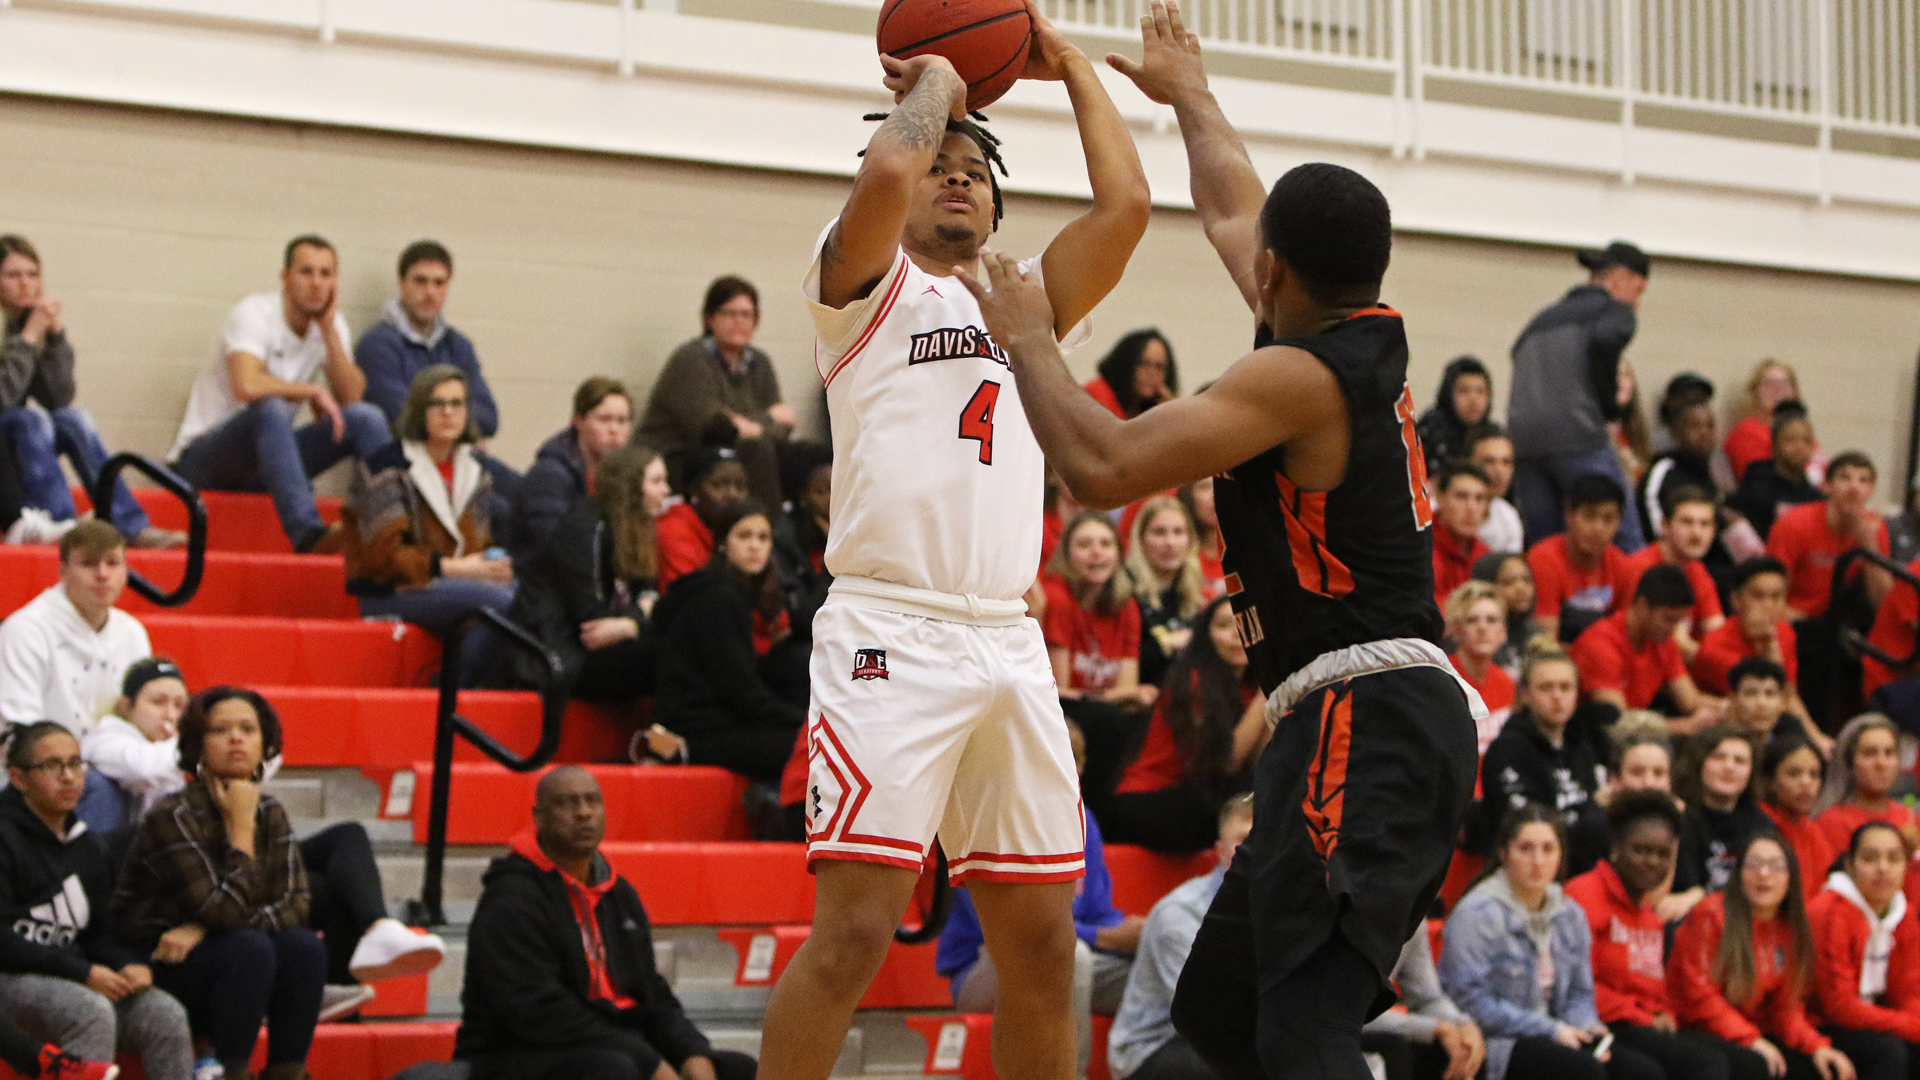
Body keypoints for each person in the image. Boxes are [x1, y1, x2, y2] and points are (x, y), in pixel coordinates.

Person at [957, 12, 1485, 1080]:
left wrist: (1027, 337)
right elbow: (1234, 200)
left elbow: (1103, 466)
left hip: (1366, 718)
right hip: (1344, 717)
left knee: (1299, 1030)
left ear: (1279, 272)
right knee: (1223, 1008)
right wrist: (1187, 91)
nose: (1251, 263)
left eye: (1262, 262)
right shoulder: (1331, 326)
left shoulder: (1299, 378)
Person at [752, 2, 1151, 1073]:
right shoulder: (864, 287)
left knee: (1043, 952)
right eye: (944, 161)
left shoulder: (1026, 305)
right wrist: (936, 74)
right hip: (892, 630)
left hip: (1008, 643)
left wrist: (1067, 63)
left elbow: (1126, 204)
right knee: (853, 936)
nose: (956, 173)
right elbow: (885, 174)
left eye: (978, 165)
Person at [455, 766, 757, 1080]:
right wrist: (646, 1059)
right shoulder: (511, 898)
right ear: (539, 816)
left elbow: (651, 992)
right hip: (516, 1052)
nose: (583, 813)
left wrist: (693, 1052)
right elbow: (536, 1011)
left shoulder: (619, 893)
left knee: (738, 1070)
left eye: (592, 801)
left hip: (615, 1046)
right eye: (566, 803)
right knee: (612, 1070)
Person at [112, 687, 326, 1080]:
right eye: (220, 730)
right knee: (251, 947)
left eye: (248, 729)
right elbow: (223, 910)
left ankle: (287, 1071)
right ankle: (229, 1073)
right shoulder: (173, 814)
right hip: (157, 961)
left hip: (217, 949)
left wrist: (200, 929)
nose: (236, 739)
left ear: (265, 744)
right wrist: (241, 827)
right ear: (197, 744)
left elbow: (295, 904)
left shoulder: (271, 810)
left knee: (303, 946)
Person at [940, 721, 1144, 1079]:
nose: (1067, 767)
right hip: (985, 966)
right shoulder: (984, 815)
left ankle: (1156, 1066)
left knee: (1161, 967)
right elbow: (1007, 928)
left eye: (1075, 760)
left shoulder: (1084, 819)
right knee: (1070, 956)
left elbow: (1099, 911)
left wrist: (1136, 934)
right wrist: (1102, 937)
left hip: (1068, 956)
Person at [169, 235, 391, 553]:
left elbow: (352, 396)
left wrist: (328, 333)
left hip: (267, 466)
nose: (316, 283)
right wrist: (311, 390)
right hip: (206, 460)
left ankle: (393, 527)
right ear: (285, 278)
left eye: (325, 274)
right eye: (306, 272)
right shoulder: (254, 313)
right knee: (270, 409)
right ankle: (307, 534)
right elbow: (246, 384)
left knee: (367, 418)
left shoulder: (332, 324)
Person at [0, 722, 192, 1080]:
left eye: (76, 763)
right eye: (52, 766)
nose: (69, 777)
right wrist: (83, 973)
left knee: (165, 1014)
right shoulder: (4, 836)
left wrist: (126, 965)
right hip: (10, 980)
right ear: (18, 778)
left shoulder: (89, 847)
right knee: (88, 1010)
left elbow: (100, 934)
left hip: (70, 975)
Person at [0, 236, 180, 550]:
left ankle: (129, 525)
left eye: (32, 275)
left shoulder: (28, 324)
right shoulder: (17, 330)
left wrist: (55, 339)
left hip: (17, 434)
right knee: (29, 419)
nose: (25, 284)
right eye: (13, 276)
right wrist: (28, 340)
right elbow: (3, 397)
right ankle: (62, 525)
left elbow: (58, 398)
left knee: (74, 418)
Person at [342, 366, 514, 681]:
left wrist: (492, 563)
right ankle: (451, 690)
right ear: (420, 409)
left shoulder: (476, 472)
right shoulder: (385, 467)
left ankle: (466, 687)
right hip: (390, 589)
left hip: (450, 584)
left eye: (457, 404)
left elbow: (477, 544)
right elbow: (385, 559)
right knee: (503, 602)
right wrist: (462, 569)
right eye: (438, 404)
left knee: (525, 596)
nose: (448, 413)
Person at [1439, 806, 1634, 1080]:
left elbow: (1580, 992)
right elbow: (1470, 1002)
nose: (1538, 861)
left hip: (1558, 1033)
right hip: (1497, 1041)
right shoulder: (1476, 913)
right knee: (1582, 1071)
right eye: (1526, 848)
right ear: (1505, 853)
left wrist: (1588, 1027)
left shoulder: (1569, 913)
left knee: (1638, 1071)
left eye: (1548, 849)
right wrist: (1551, 1030)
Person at [1568, 790, 1734, 1080]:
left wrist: (1660, 1011)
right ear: (1616, 848)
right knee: (1680, 1068)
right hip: (1593, 1023)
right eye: (1641, 850)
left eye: (1662, 854)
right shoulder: (1584, 895)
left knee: (1742, 1063)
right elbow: (1576, 986)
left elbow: (1651, 984)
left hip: (1637, 1023)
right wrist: (1642, 1016)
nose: (1652, 862)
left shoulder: (1649, 914)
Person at [353, 240, 519, 525]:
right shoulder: (377, 344)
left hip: (461, 459)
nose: (430, 292)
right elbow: (404, 417)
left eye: (439, 283)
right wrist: (463, 422)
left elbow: (489, 417)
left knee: (529, 495)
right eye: (420, 281)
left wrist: (453, 424)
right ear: (402, 284)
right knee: (498, 512)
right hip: (406, 466)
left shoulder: (458, 345)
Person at [0, 521, 151, 833]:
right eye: (88, 564)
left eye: (112, 563)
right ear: (62, 570)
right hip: (37, 775)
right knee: (98, 785)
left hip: (115, 763)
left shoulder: (133, 633)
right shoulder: (25, 631)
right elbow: (18, 733)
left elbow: (145, 720)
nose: (102, 574)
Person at [1669, 832, 1858, 1080]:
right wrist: (1750, 1039)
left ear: (1790, 878)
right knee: (1755, 1065)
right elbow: (1698, 994)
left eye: (1776, 866)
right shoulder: (1710, 915)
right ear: (1738, 874)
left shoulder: (1791, 927)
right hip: (1696, 1028)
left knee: (1817, 1069)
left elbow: (1786, 1006)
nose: (1764, 874)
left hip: (1749, 1031)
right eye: (1754, 864)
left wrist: (1817, 1047)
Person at [1506, 241, 1651, 552]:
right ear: (1621, 277)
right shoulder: (1614, 311)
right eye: (1639, 290)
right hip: (1578, 436)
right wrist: (1610, 410)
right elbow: (1604, 342)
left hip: (1526, 444)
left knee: (1548, 547)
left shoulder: (1539, 321)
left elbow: (1515, 353)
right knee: (1625, 537)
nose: (1637, 303)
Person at [649, 501, 806, 785]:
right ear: (722, 544)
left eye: (763, 537)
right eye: (744, 536)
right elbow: (741, 689)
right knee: (810, 748)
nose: (755, 546)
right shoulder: (718, 597)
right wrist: (803, 721)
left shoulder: (737, 594)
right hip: (695, 731)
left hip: (719, 722)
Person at [503, 444, 670, 700]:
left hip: (594, 650)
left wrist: (630, 624)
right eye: (657, 481)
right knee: (668, 655)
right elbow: (593, 624)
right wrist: (638, 619)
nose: (666, 491)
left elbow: (649, 599)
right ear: (629, 485)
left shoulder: (638, 531)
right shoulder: (586, 529)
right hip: (557, 655)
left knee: (681, 649)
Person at [1108, 795, 1255, 1080]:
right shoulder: (1181, 913)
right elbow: (1205, 1018)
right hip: (1151, 1048)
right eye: (1244, 838)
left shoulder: (1279, 908)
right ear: (1220, 851)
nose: (1255, 849)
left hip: (1227, 1034)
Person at [1104, 597, 1265, 853]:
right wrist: (1266, 696)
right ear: (1206, 636)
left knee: (1272, 787)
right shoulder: (1193, 681)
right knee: (1240, 795)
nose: (1237, 635)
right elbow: (1225, 762)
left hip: (1197, 795)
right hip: (1148, 802)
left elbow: (1260, 761)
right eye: (1224, 625)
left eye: (1245, 625)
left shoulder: (1250, 688)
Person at [638, 277, 796, 509]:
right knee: (758, 450)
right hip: (676, 455)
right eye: (729, 313)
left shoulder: (759, 362)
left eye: (746, 315)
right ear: (709, 318)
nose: (739, 321)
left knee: (803, 456)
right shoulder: (691, 359)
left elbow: (785, 427)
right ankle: (765, 530)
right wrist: (769, 418)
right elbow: (714, 428)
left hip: (732, 450)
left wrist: (751, 425)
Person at [1046, 512, 1155, 801]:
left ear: (1118, 554)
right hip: (1062, 706)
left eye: (1105, 544)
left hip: (1101, 707)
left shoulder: (1126, 605)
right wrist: (1122, 695)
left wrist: (1127, 695)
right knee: (1108, 719)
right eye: (1085, 544)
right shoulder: (1058, 599)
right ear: (1067, 555)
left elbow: (1126, 688)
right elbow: (1060, 690)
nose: (1096, 552)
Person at [1474, 650, 1609, 876]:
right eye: (1546, 688)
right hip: (1525, 873)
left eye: (1566, 688)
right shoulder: (1507, 751)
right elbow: (1526, 831)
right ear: (1525, 695)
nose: (1557, 696)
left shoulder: (1582, 746)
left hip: (1583, 871)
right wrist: (1592, 812)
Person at [1806, 821, 1920, 1079]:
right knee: (1889, 1052)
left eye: (1893, 858)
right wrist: (1913, 1027)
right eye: (1870, 858)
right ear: (1850, 864)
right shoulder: (1828, 911)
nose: (1883, 868)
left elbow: (1910, 992)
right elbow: (1839, 1006)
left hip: (1871, 1017)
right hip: (1819, 1023)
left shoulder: (1903, 912)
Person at [1569, 564, 1725, 734]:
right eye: (1668, 619)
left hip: (1641, 731)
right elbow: (1617, 723)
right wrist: (1684, 726)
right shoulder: (1600, 645)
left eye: (1678, 621)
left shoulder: (1664, 642)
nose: (1673, 629)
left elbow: (1690, 700)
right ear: (1642, 606)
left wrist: (1730, 707)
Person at [516, 377, 633, 561]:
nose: (614, 429)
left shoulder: (622, 472)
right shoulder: (551, 474)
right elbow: (554, 544)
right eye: (604, 419)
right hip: (543, 578)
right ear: (578, 421)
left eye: (622, 421)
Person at [1693, 559, 1814, 732]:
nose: (1768, 605)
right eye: (1758, 596)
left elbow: (1790, 695)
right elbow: (1766, 700)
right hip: (1721, 725)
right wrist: (1771, 643)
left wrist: (1819, 740)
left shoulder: (1785, 632)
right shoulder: (1715, 646)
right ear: (1736, 600)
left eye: (1776, 597)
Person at [1361, 930, 1488, 1080]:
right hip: (1337, 1028)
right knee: (1394, 1047)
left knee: (1465, 1048)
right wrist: (1434, 1027)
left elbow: (1427, 998)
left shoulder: (1414, 918)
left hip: (1370, 1022)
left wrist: (1463, 1024)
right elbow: (1351, 1012)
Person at [1527, 473, 1637, 643]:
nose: (1598, 528)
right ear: (1569, 516)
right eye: (1589, 516)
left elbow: (1628, 637)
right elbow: (1545, 641)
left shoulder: (1623, 565)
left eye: (1608, 519)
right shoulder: (1544, 559)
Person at [78, 657, 189, 826]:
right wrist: (190, 743)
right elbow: (143, 768)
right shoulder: (102, 739)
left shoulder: (166, 746)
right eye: (158, 702)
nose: (171, 715)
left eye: (179, 705)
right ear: (126, 705)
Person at [1622, 487, 1726, 662]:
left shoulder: (1698, 571)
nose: (1696, 533)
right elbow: (1676, 645)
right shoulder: (1638, 569)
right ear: (1664, 525)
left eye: (1705, 524)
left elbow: (1718, 635)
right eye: (1687, 522)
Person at [1672, 726, 1770, 899]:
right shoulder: (1680, 817)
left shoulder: (1762, 825)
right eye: (1718, 757)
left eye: (1739, 761)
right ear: (1699, 762)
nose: (1729, 767)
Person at [1125, 495, 1210, 690]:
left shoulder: (1194, 593)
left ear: (1190, 540)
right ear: (1141, 539)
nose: (1170, 542)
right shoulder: (1124, 590)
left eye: (1178, 532)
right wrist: (1171, 642)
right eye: (1159, 532)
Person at [1639, 376, 1732, 543]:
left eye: (1710, 426)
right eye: (1695, 426)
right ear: (1676, 434)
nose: (1704, 433)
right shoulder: (1663, 472)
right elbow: (1655, 531)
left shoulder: (1711, 472)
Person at [1812, 716, 1916, 858]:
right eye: (1870, 753)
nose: (1881, 763)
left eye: (1889, 753)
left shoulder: (1909, 818)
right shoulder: (1831, 822)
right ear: (1850, 763)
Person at [655, 447, 751, 591]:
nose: (732, 494)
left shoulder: (747, 531)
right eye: (718, 485)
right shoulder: (674, 532)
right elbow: (693, 601)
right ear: (694, 489)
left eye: (740, 486)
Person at [1728, 403, 1821, 544]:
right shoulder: (1755, 484)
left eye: (1806, 441)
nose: (1800, 447)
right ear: (1774, 447)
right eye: (1791, 440)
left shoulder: (1815, 497)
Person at [1759, 736, 1835, 903]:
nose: (1806, 782)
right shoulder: (1757, 825)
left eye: (1814, 775)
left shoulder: (1815, 833)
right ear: (1772, 781)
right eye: (1794, 773)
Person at [1447, 581, 1515, 756]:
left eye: (1492, 620)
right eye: (1472, 620)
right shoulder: (1443, 680)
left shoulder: (1506, 683)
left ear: (1503, 632)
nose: (1483, 627)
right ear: (1456, 629)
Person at [1724, 362, 1805, 487]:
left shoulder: (1802, 430)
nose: (1777, 390)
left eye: (1784, 384)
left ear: (1795, 391)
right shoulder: (1746, 431)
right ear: (1754, 392)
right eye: (1769, 384)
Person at [1416, 356, 1493, 478]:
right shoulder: (1430, 432)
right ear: (1448, 394)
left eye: (1480, 391)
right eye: (1463, 391)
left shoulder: (1491, 435)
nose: (1473, 400)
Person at [1433, 463, 1494, 610]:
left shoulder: (1485, 555)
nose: (1471, 508)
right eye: (1461, 497)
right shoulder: (1419, 549)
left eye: (1479, 499)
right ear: (1440, 498)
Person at [1726, 657, 1823, 749]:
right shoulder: (1719, 746)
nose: (1761, 703)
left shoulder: (1795, 748)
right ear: (1733, 700)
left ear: (1782, 701)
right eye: (1751, 693)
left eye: (1770, 693)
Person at [1088, 329, 1179, 419]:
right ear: (1127, 364)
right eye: (1144, 363)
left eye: (1159, 367)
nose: (1152, 373)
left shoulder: (1151, 407)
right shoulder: (1099, 392)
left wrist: (1172, 413)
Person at [1477, 553, 1539, 677]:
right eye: (1509, 582)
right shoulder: (1477, 635)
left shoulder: (1536, 635)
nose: (1521, 588)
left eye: (1527, 580)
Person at [1469, 425, 1525, 556]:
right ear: (1469, 463)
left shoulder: (1509, 516)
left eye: (1506, 462)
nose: (1499, 471)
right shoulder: (1435, 512)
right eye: (1489, 461)